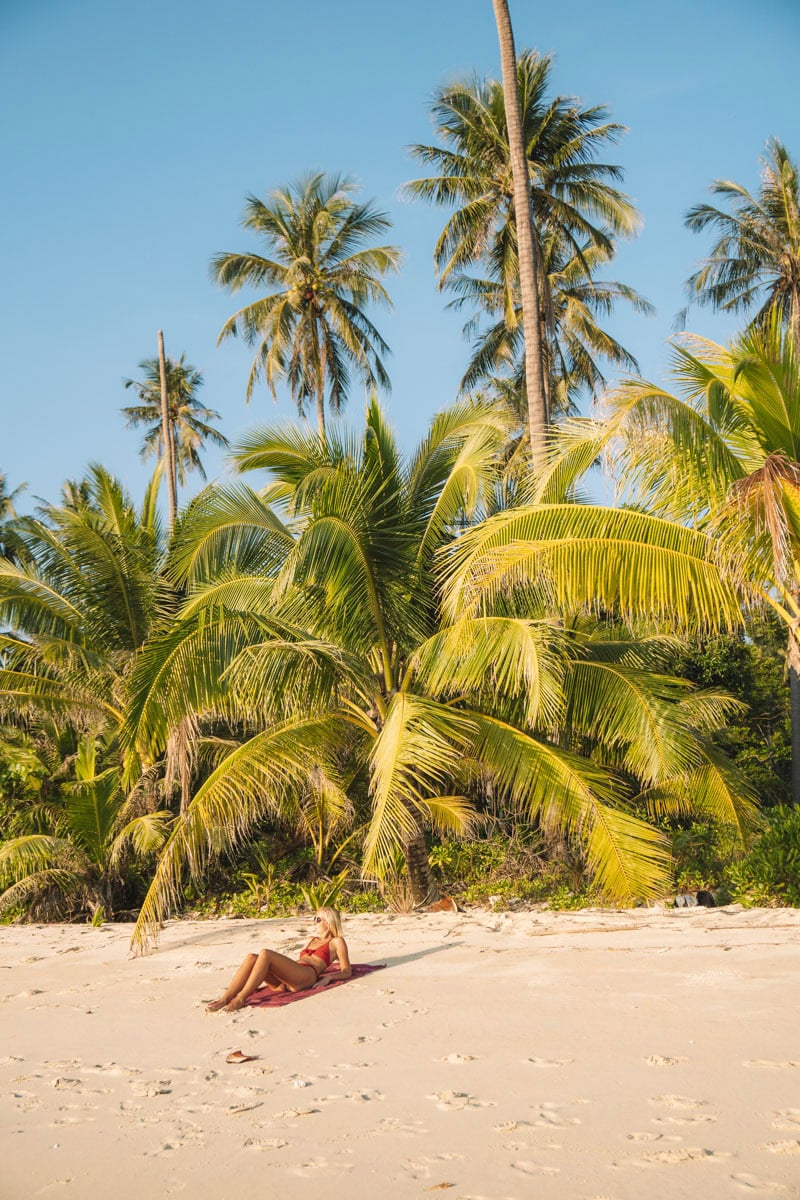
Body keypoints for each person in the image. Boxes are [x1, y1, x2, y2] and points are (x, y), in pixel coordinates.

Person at [206, 906, 352, 1013]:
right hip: (288, 979)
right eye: (314, 918)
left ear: (329, 923)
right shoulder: (312, 939)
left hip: (307, 975)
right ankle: (224, 999)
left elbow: (347, 971)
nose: (314, 922)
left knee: (265, 953)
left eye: (318, 919)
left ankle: (241, 998)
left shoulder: (337, 941)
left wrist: (329, 978)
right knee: (252, 957)